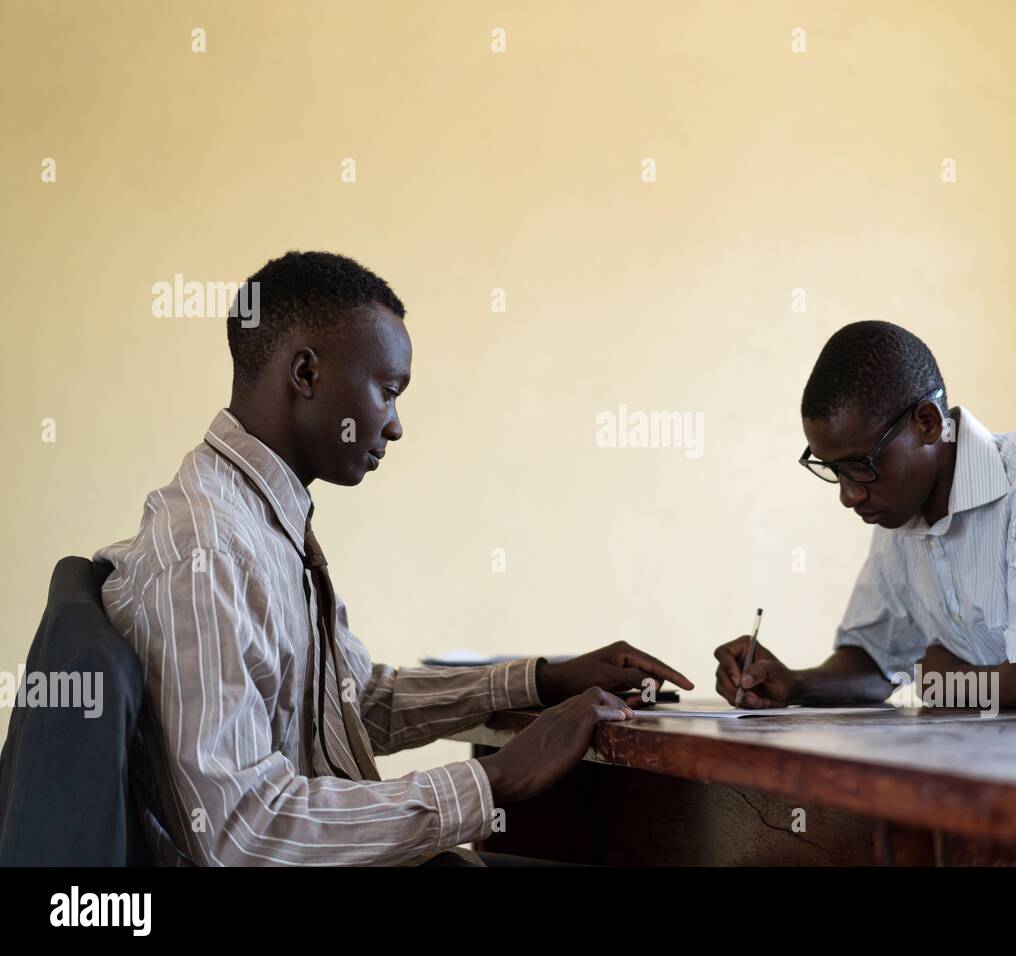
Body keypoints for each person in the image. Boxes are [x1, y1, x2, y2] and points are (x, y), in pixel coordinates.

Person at [94, 250, 692, 865]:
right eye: (387, 391)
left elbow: (348, 701)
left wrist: (536, 679)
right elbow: (242, 834)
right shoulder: (211, 549)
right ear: (306, 374)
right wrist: (492, 780)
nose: (396, 425)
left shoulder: (260, 522)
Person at [714, 320, 1016, 712]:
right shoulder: (897, 515)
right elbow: (874, 659)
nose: (848, 495)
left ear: (926, 423)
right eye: (832, 471)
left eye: (860, 467)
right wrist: (797, 683)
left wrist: (943, 682)